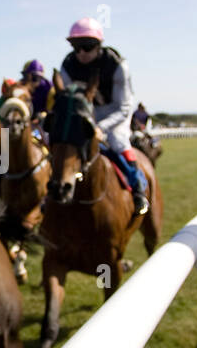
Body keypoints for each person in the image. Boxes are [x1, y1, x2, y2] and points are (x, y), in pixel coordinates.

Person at [57, 17, 148, 216]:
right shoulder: (68, 64)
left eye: (87, 47)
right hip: (85, 113)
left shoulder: (116, 65)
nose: (81, 52)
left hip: (114, 112)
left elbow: (124, 107)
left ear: (98, 46)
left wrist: (100, 128)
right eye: (76, 47)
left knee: (116, 141)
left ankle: (138, 189)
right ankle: (53, 190)